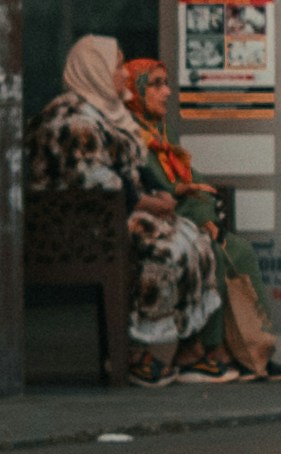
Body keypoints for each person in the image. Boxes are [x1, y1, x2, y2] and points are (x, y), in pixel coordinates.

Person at [30, 38, 246, 380]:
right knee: (165, 247)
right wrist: (150, 203)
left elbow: (134, 168)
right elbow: (96, 180)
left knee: (194, 238)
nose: (122, 75)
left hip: (107, 216)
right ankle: (137, 352)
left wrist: (159, 196)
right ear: (95, 70)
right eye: (117, 66)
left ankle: (189, 352)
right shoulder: (72, 118)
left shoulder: (107, 112)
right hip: (80, 227)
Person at [124, 52, 281, 375]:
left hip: (184, 217)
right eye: (156, 85)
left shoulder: (161, 130)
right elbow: (163, 189)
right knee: (212, 250)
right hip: (158, 224)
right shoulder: (132, 135)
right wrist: (202, 217)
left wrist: (207, 216)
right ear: (136, 91)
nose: (167, 92)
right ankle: (210, 350)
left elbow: (191, 178)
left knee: (240, 252)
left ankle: (254, 350)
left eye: (166, 83)